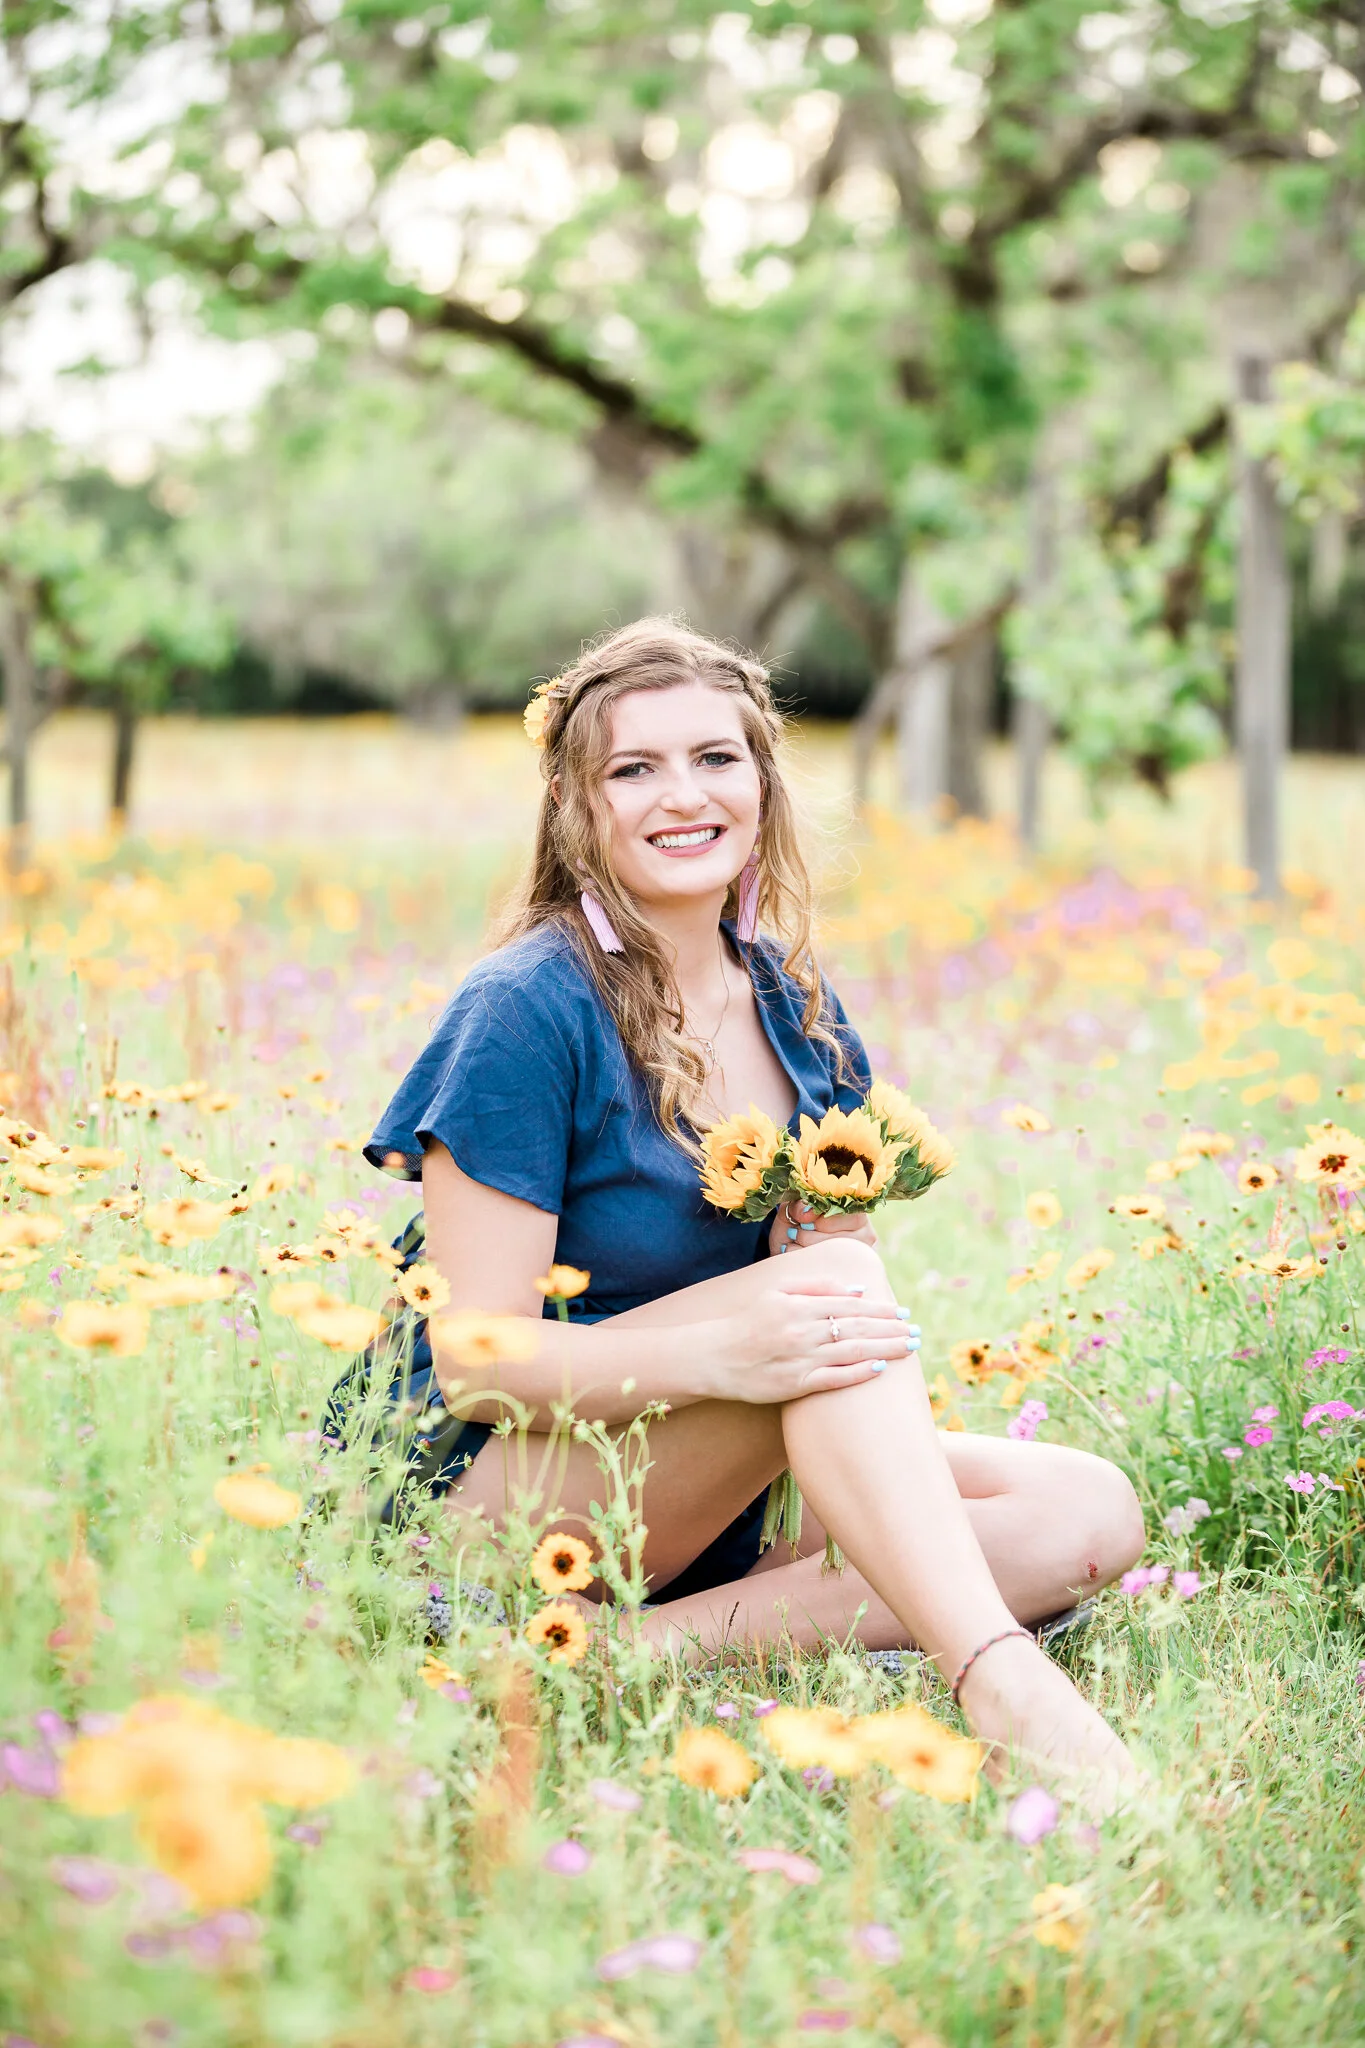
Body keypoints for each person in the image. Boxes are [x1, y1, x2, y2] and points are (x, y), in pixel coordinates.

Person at [341, 616, 1145, 1786]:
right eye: (634, 767)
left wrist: (811, 1274)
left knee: (1086, 1509)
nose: (684, 794)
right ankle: (998, 1676)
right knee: (821, 1307)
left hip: (697, 1484)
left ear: (762, 782)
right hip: (483, 1496)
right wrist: (737, 1349)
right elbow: (471, 1358)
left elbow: (830, 1281)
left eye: (716, 757)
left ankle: (607, 1656)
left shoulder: (796, 1009)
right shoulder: (526, 1007)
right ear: (578, 804)